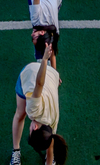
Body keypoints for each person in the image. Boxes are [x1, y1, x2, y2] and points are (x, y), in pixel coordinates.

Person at [11, 34, 63, 165]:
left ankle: (17, 152)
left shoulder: (51, 124)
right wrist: (44, 60)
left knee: (24, 112)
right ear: (34, 127)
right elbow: (39, 85)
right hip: (30, 73)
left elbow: (50, 142)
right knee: (21, 113)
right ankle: (15, 150)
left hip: (52, 76)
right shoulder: (34, 110)